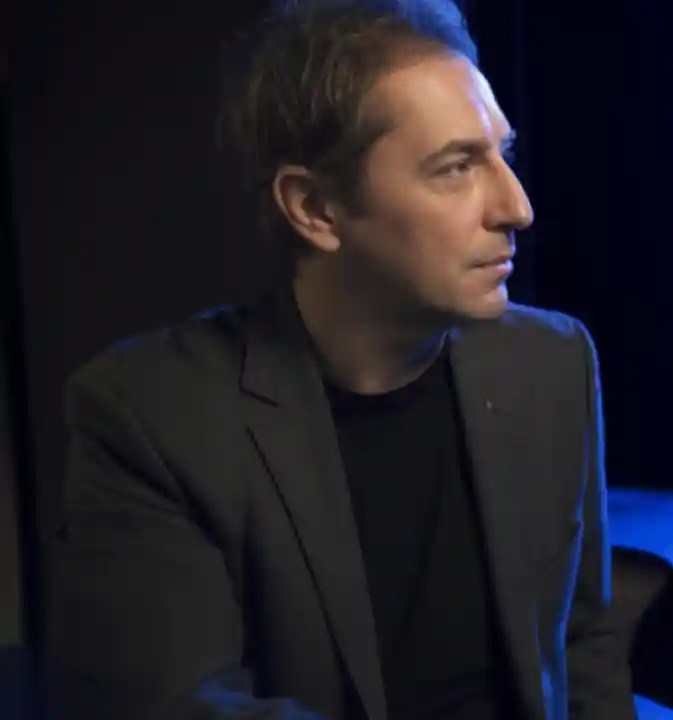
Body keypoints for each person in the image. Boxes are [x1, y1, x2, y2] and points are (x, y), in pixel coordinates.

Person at [43, 1, 636, 718]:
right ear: (315, 207)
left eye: (501, 156)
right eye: (456, 168)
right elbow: (174, 707)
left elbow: (582, 648)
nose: (516, 206)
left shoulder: (550, 364)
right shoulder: (150, 416)